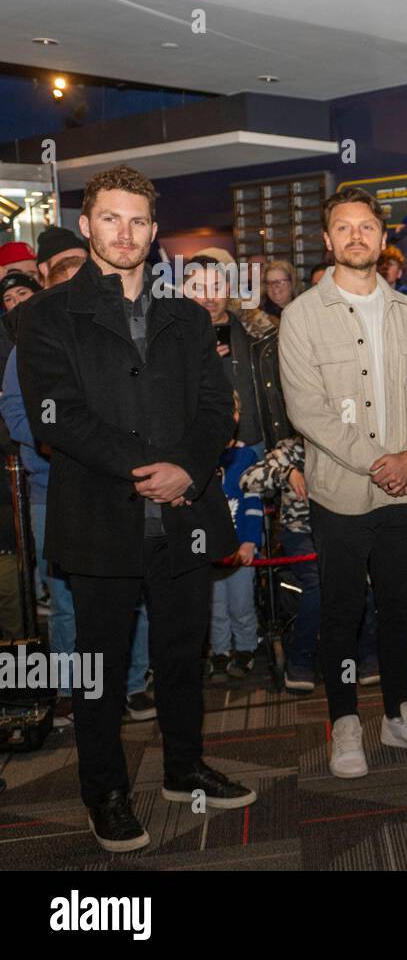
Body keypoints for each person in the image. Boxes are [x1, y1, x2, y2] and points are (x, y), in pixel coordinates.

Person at [19, 164, 254, 852]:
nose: (126, 233)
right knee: (101, 668)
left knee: (184, 655)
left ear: (155, 232)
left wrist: (187, 468)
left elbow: (218, 408)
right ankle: (105, 790)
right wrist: (145, 469)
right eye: (112, 219)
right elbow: (55, 418)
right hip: (100, 518)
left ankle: (185, 768)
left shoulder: (187, 314)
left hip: (184, 515)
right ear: (87, 224)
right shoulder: (43, 316)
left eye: (140, 221)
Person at [279, 186, 407, 779]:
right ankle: (345, 720)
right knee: (343, 610)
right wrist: (383, 462)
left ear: (383, 238)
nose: (356, 236)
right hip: (343, 494)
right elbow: (309, 411)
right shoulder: (301, 316)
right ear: (327, 241)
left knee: (402, 609)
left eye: (366, 227)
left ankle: (400, 712)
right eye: (343, 228)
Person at [0, 294, 155, 724]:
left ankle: (134, 682)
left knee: (129, 589)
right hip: (51, 491)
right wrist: (65, 443)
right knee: (67, 599)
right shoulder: (27, 348)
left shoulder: (109, 340)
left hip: (117, 486)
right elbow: (15, 412)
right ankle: (74, 689)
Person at [240, 435, 382, 692]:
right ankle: (300, 657)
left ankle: (367, 654)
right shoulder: (289, 450)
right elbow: (247, 479)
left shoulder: (343, 446)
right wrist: (287, 473)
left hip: (340, 529)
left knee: (359, 581)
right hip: (300, 533)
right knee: (317, 583)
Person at [181, 256, 289, 459]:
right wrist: (196, 362)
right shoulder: (174, 341)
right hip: (205, 454)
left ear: (228, 289)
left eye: (216, 287)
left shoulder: (260, 333)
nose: (209, 297)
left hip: (263, 448)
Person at [208, 390, 262, 679]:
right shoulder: (201, 457)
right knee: (215, 605)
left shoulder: (245, 456)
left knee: (241, 602)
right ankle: (219, 651)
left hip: (240, 546)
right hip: (211, 550)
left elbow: (253, 502)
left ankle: (245, 648)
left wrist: (250, 541)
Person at [253, 258, 299, 326]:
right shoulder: (258, 313)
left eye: (279, 282)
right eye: (269, 283)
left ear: (292, 282)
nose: (274, 286)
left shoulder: (304, 308)